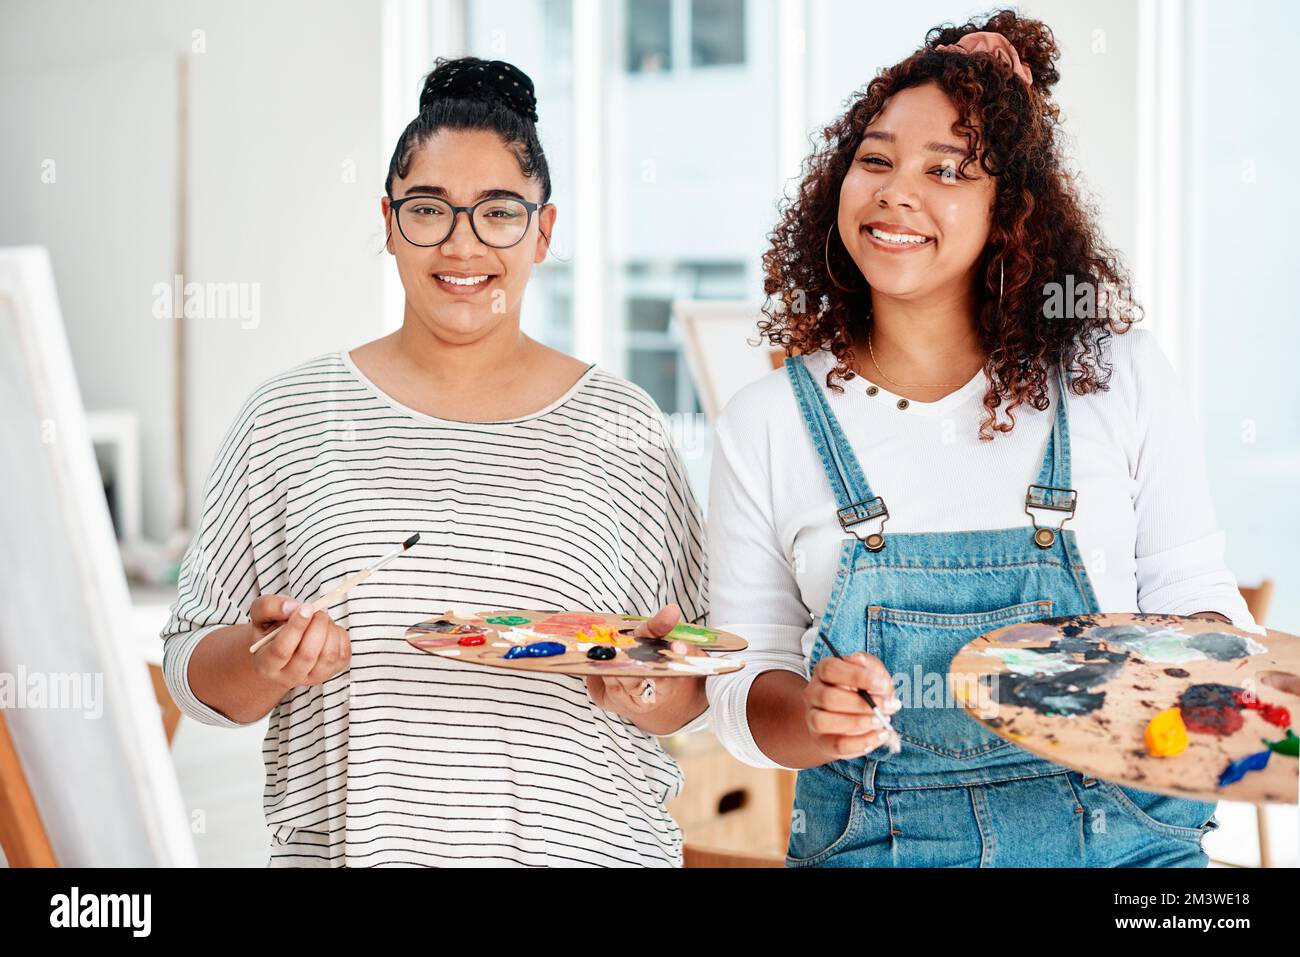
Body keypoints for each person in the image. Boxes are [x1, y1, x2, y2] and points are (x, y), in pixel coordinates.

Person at [705, 11, 1257, 867]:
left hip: (1133, 846)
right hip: (878, 844)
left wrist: (1171, 665)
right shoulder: (765, 422)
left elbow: (1205, 602)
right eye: (876, 159)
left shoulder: (1119, 376)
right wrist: (814, 716)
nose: (895, 191)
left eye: (948, 170)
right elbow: (743, 691)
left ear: (1011, 214)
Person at [162, 57, 708, 867]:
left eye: (498, 213)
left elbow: (695, 683)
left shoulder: (623, 424)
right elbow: (187, 673)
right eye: (428, 210)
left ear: (542, 231)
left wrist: (649, 684)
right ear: (388, 222)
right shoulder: (285, 417)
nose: (462, 243)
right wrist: (263, 659)